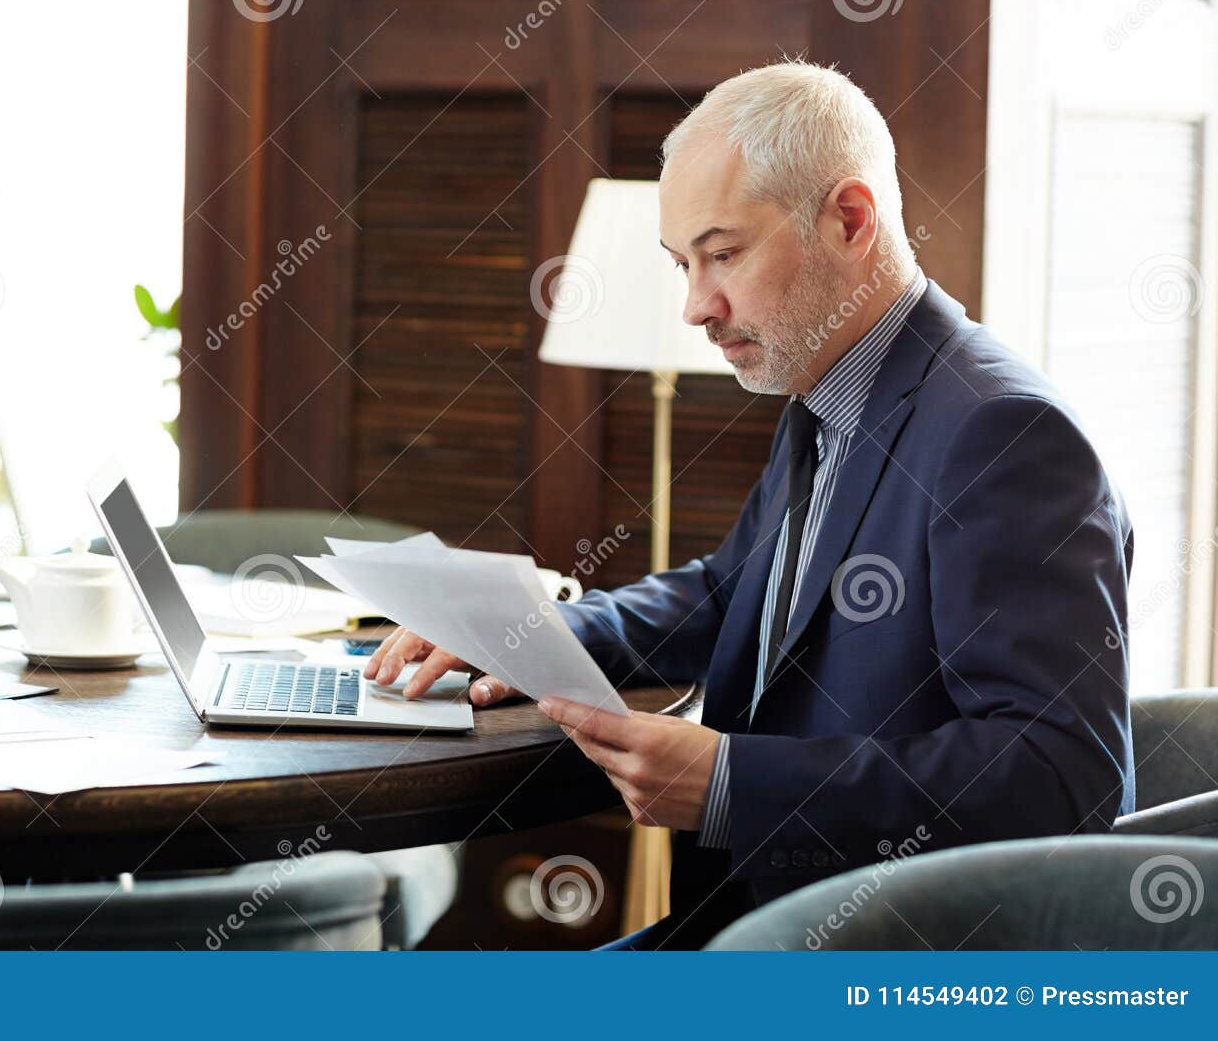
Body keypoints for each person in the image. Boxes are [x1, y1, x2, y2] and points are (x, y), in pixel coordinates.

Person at [363, 60, 1135, 948]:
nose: (697, 306)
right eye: (682, 264)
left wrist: (735, 782)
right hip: (740, 928)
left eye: (723, 254)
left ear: (851, 220)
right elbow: (731, 592)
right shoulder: (831, 391)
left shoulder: (1002, 432)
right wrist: (528, 631)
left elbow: (1061, 776)